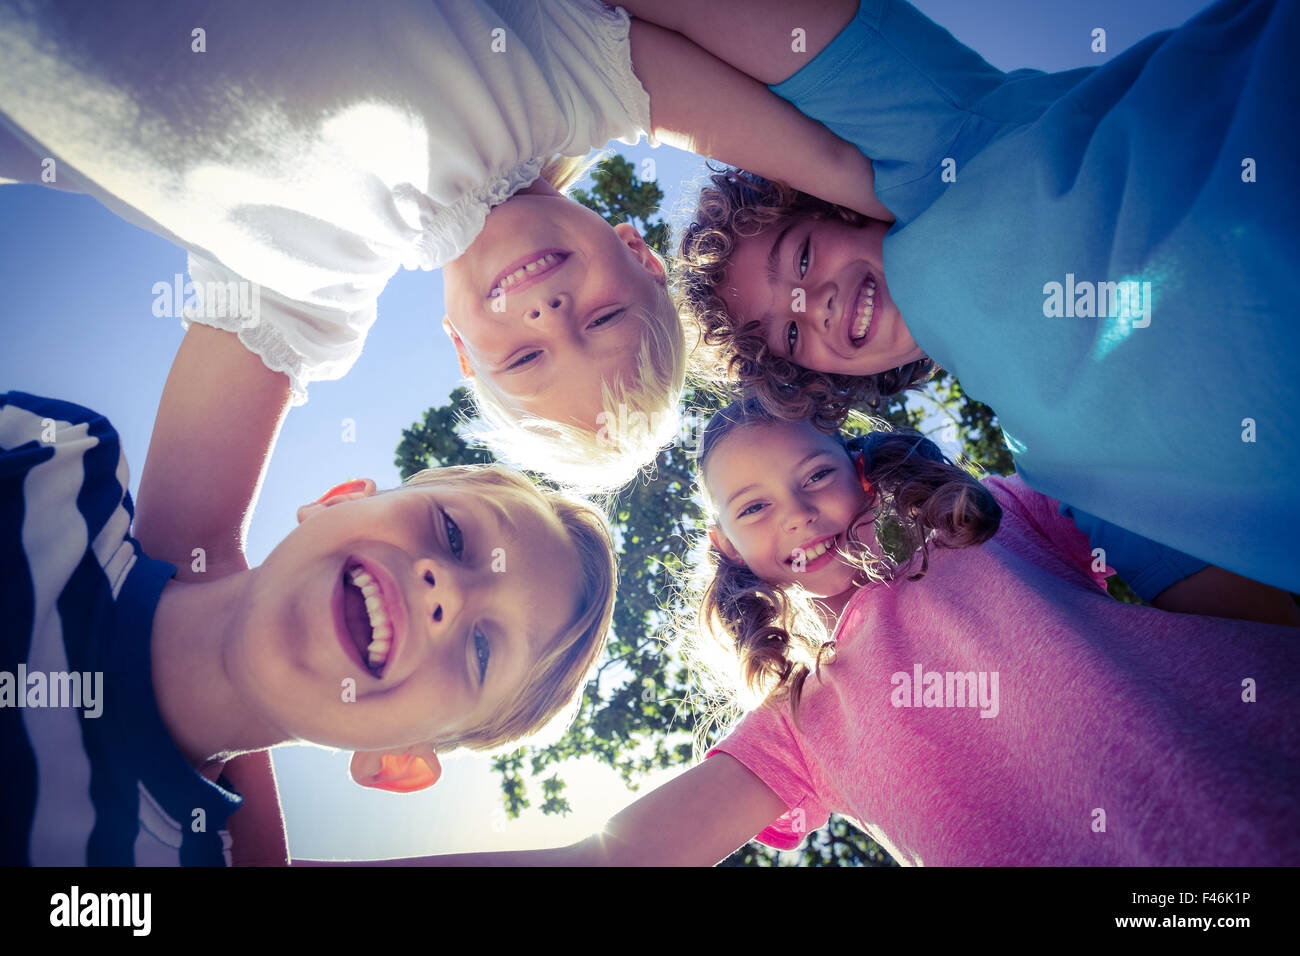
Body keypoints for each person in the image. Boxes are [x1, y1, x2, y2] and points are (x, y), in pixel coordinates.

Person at [331, 399, 1299, 866]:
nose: (798, 516)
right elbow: (611, 857)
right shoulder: (800, 724)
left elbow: (1205, 578)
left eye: (814, 477)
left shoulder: (990, 518)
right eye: (755, 507)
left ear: (860, 468)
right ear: (729, 547)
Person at [0, 0, 884, 491]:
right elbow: (844, 163)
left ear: (463, 353)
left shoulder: (311, 296)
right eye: (604, 317)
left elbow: (190, 543)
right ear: (639, 252)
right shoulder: (571, 78)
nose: (548, 311)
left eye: (528, 355)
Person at [660, 0, 1300, 591]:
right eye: (791, 336)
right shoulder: (1066, 477)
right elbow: (1251, 661)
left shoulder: (940, 146)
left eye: (800, 257)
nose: (813, 306)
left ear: (837, 205)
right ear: (820, 379)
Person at [0, 389, 616, 865]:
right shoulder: (61, 465)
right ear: (341, 497)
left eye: (482, 649)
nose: (448, 593)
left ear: (396, 762)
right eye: (454, 535)